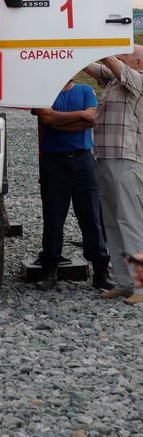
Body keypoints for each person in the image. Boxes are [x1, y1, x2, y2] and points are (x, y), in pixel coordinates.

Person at [32, 78, 113, 291]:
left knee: (91, 217)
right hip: (53, 161)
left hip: (83, 160)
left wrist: (59, 121)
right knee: (53, 217)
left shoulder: (86, 90)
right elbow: (47, 117)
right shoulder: (42, 91)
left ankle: (101, 272)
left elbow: (92, 119)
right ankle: (49, 269)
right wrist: (80, 115)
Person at [84, 49, 143, 305]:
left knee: (130, 222)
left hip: (126, 158)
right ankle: (124, 282)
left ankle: (141, 287)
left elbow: (109, 62)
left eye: (126, 53)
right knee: (111, 222)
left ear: (138, 62)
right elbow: (91, 66)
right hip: (105, 157)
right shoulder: (114, 80)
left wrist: (104, 46)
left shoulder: (137, 79)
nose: (120, 55)